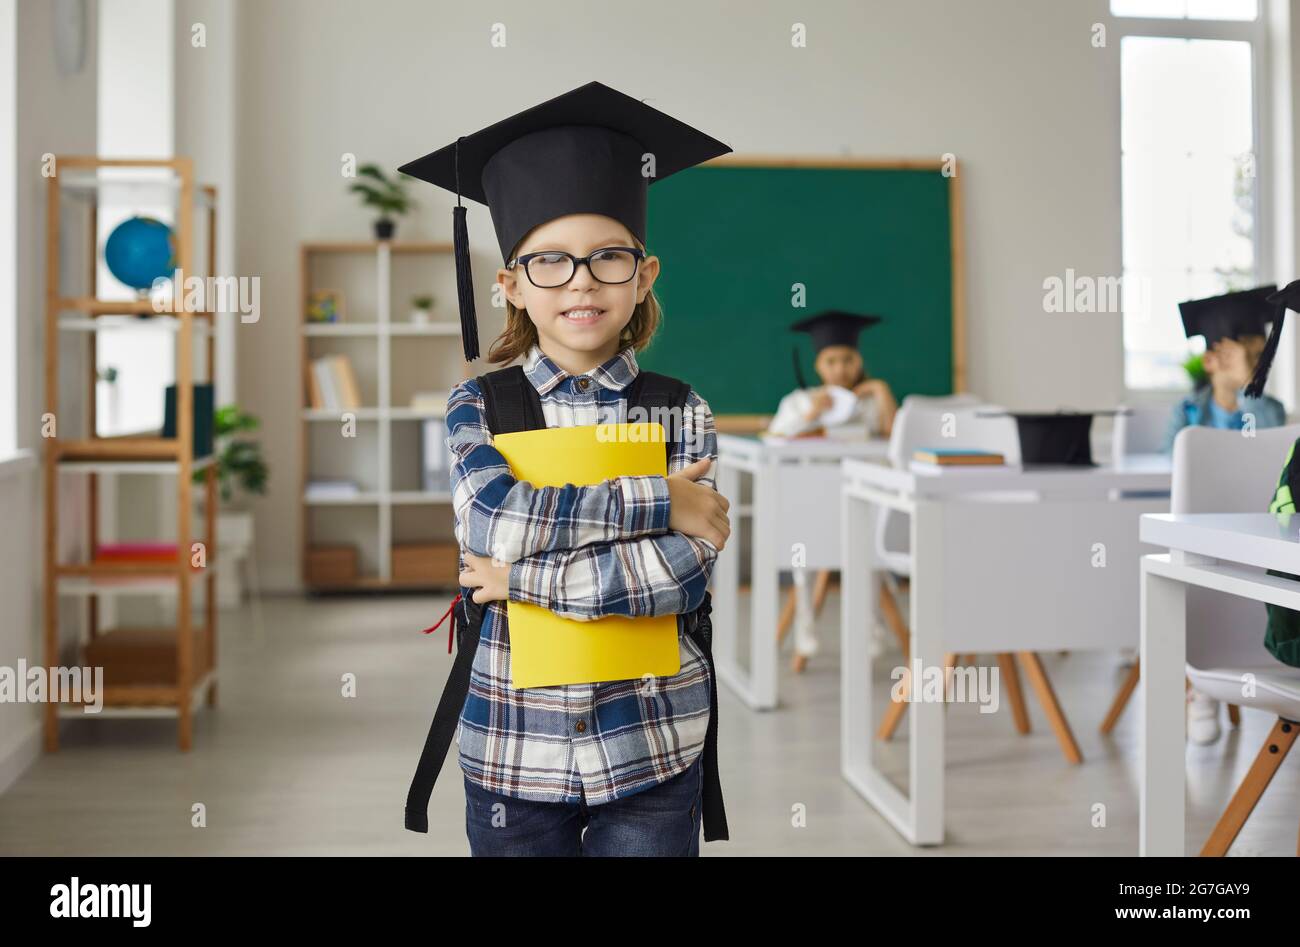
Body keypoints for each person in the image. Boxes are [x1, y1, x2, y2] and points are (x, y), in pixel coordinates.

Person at [400, 81, 732, 856]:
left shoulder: (679, 410)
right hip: (516, 750)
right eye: (549, 260)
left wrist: (521, 583)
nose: (581, 280)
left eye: (607, 257)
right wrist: (661, 497)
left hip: (651, 747)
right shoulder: (478, 405)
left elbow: (676, 580)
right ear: (511, 283)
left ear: (643, 275)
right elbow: (496, 522)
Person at [1165, 286, 1287, 744]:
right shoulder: (1188, 413)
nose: (1254, 366)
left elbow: (1274, 448)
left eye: (1260, 358)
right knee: (1194, 587)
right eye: (1241, 357)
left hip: (1251, 533)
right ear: (1212, 361)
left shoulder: (1268, 409)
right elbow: (1169, 468)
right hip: (1195, 538)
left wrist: (1250, 388)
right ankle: (1201, 689)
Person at [766, 310, 896, 668]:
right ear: (819, 365)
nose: (840, 368)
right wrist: (810, 414)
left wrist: (881, 390)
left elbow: (894, 436)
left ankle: (872, 628)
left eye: (848, 360)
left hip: (862, 500)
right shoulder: (799, 400)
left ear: (859, 361)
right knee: (800, 552)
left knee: (869, 553)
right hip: (812, 502)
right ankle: (806, 626)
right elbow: (775, 438)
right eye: (832, 361)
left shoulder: (869, 402)